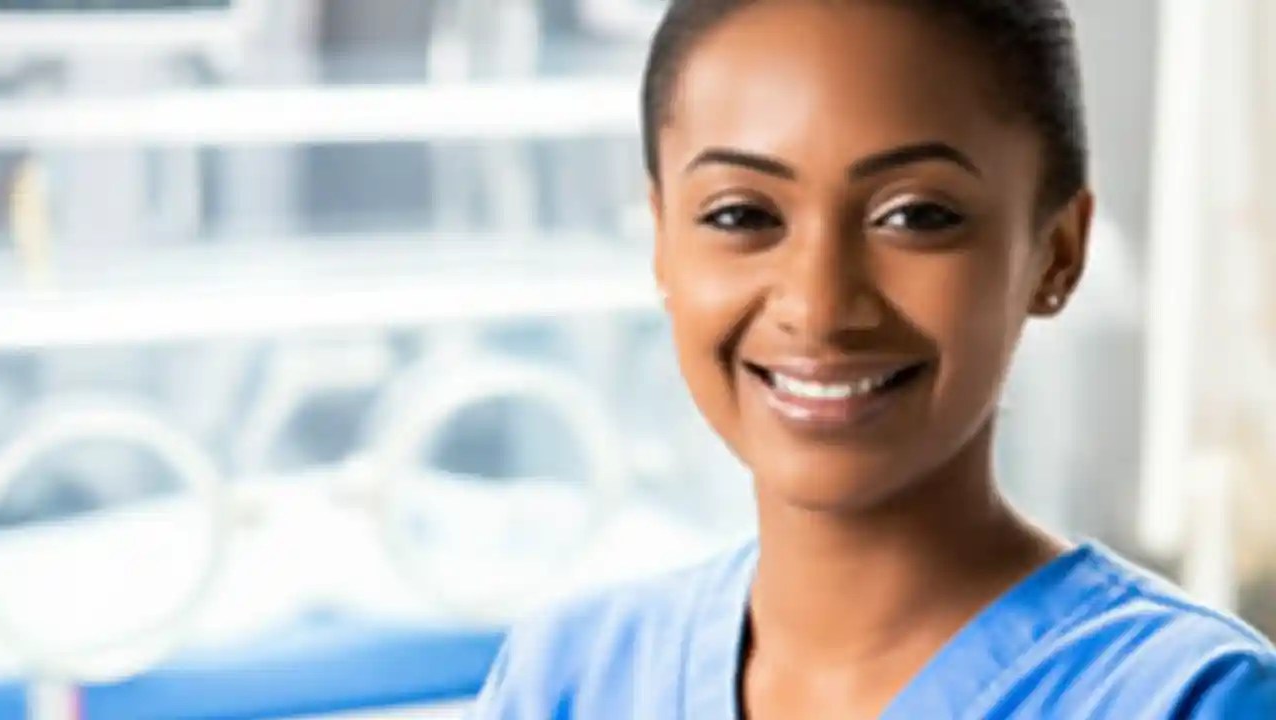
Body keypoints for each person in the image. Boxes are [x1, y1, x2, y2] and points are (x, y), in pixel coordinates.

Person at [470, 0, 1276, 717]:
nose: (819, 308)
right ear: (662, 241)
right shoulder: (566, 678)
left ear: (1056, 252)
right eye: (740, 213)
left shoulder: (1187, 698)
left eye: (916, 216)